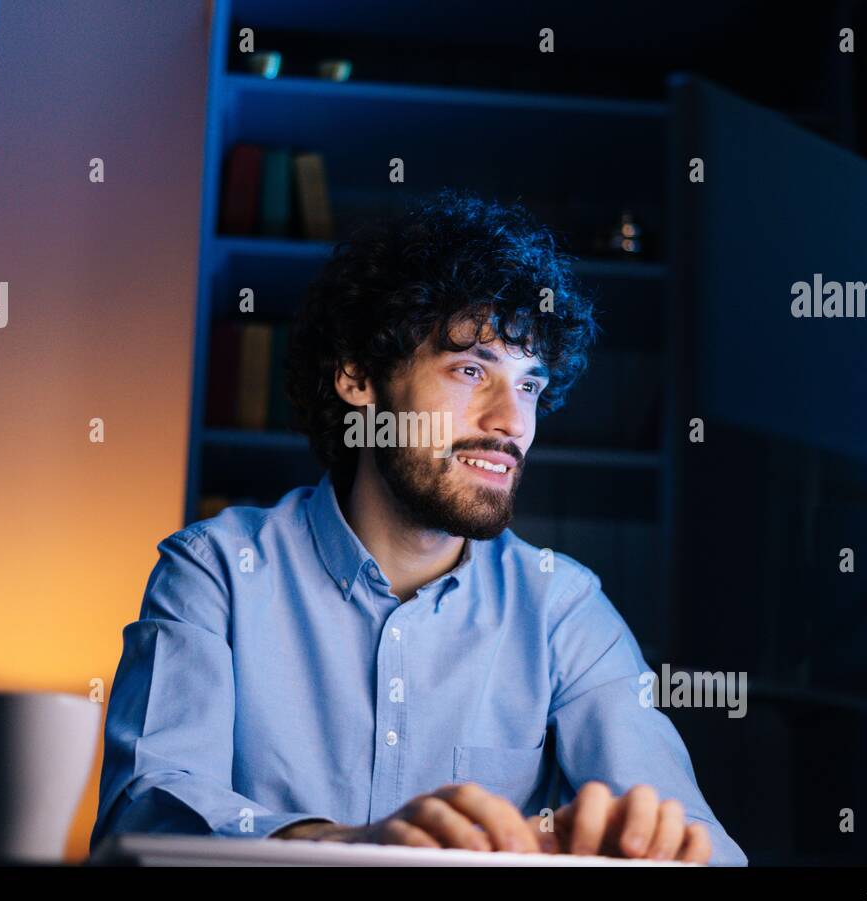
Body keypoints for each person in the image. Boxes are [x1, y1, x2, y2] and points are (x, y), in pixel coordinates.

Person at [91, 190, 747, 864]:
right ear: (358, 379)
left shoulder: (562, 607)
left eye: (530, 387)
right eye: (471, 370)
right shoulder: (217, 570)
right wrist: (347, 847)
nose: (512, 425)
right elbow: (146, 813)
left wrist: (659, 848)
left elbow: (708, 849)